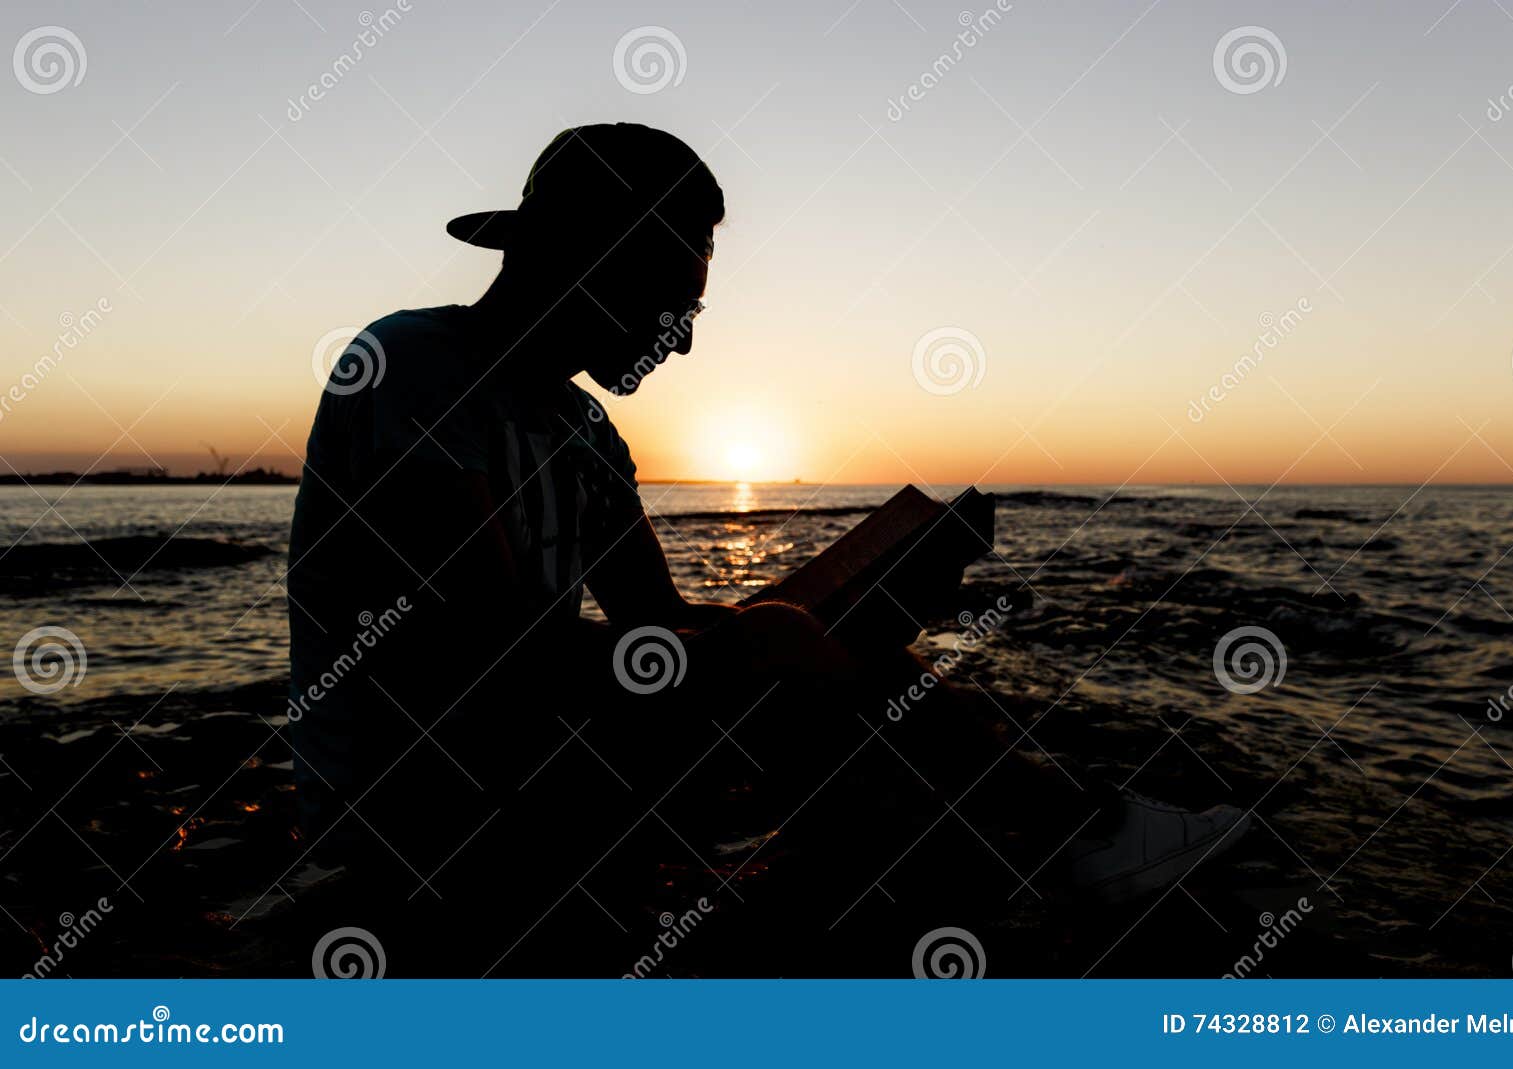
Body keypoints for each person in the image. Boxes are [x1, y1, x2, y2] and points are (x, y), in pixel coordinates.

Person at [285, 124, 1248, 962]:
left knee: (852, 659)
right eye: (669, 301)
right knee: (786, 663)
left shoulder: (586, 435)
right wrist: (753, 645)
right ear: (585, 258)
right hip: (417, 796)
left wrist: (842, 617)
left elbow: (653, 617)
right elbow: (487, 647)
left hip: (528, 751)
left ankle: (1062, 843)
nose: (682, 341)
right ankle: (1080, 846)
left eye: (690, 311)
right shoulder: (414, 365)